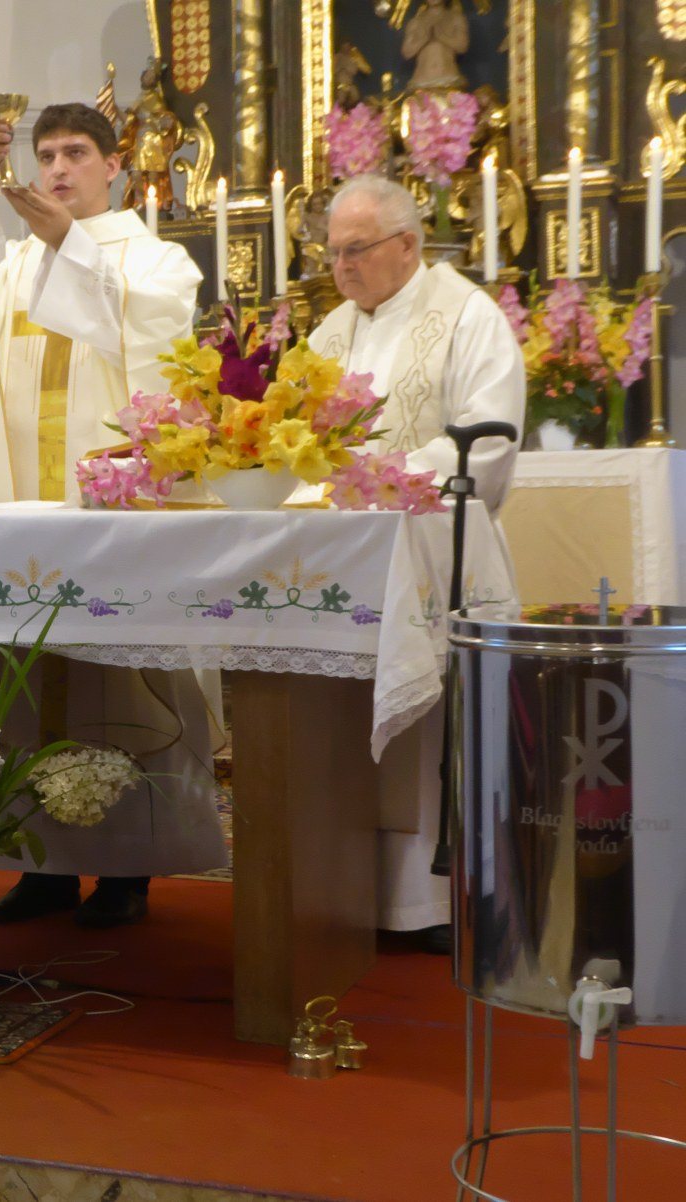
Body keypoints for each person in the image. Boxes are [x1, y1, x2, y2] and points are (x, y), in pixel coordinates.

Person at [0, 102, 226, 927]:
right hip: (18, 520)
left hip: (109, 527)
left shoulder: (155, 263)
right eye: (45, 153)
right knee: (19, 694)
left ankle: (131, 870)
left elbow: (154, 338)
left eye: (76, 153)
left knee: (118, 682)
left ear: (115, 165)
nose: (56, 168)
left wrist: (66, 247)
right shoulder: (10, 265)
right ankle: (38, 865)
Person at [309, 174, 524, 951]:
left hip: (436, 550)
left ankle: (430, 900)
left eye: (356, 249)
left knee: (428, 724)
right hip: (342, 554)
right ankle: (337, 891)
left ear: (408, 244)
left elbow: (488, 446)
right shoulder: (329, 333)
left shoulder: (467, 316)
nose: (341, 266)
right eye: (332, 252)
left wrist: (385, 480)